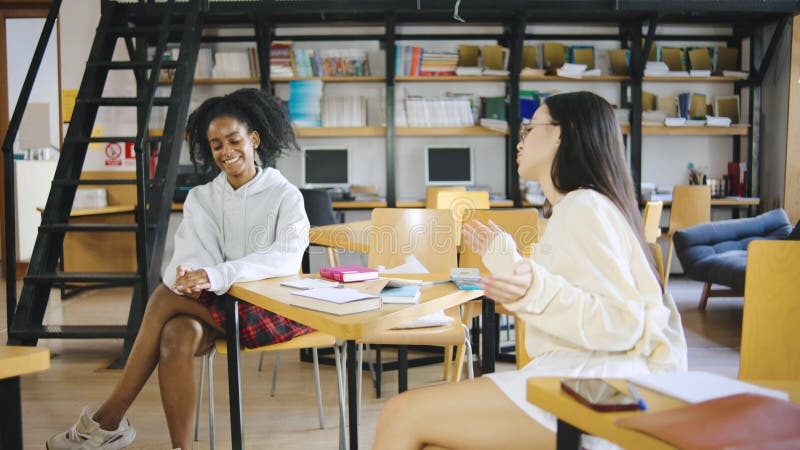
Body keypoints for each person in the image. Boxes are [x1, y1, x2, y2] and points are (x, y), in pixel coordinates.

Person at [372, 91, 687, 450]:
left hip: (595, 387)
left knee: (402, 414)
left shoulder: (584, 206)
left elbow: (622, 322)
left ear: (560, 134)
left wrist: (530, 288)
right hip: (584, 376)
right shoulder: (581, 206)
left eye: (529, 129)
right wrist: (511, 264)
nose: (520, 141)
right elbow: (578, 291)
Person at [47, 88, 313, 450]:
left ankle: (108, 419)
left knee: (162, 297)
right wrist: (189, 274)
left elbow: (284, 258)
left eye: (233, 140)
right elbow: (192, 252)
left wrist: (214, 276)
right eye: (216, 144)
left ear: (254, 139)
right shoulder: (202, 197)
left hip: (272, 307)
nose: (225, 151)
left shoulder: (286, 195)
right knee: (176, 334)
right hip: (219, 306)